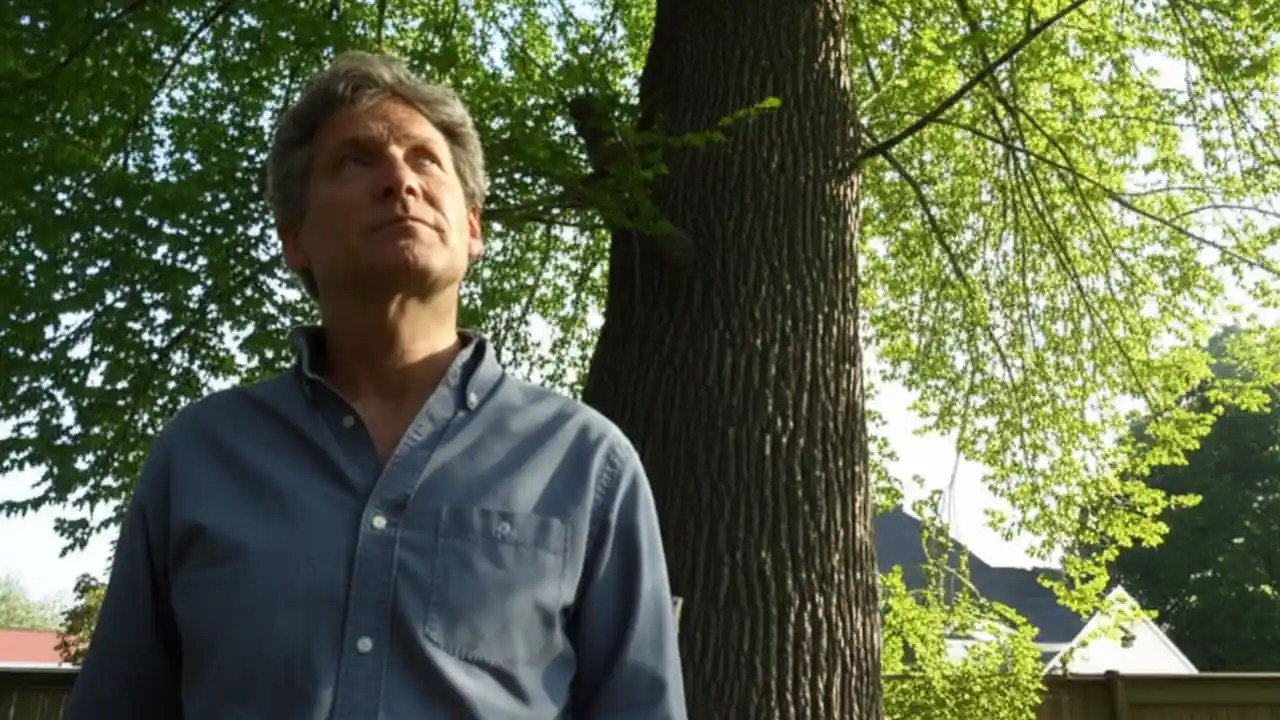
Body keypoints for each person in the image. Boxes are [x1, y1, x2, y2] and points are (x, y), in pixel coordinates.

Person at [64, 50, 687, 719]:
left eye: (425, 158)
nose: (399, 179)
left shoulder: (586, 462)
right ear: (293, 238)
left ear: (472, 228)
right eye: (356, 161)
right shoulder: (199, 454)